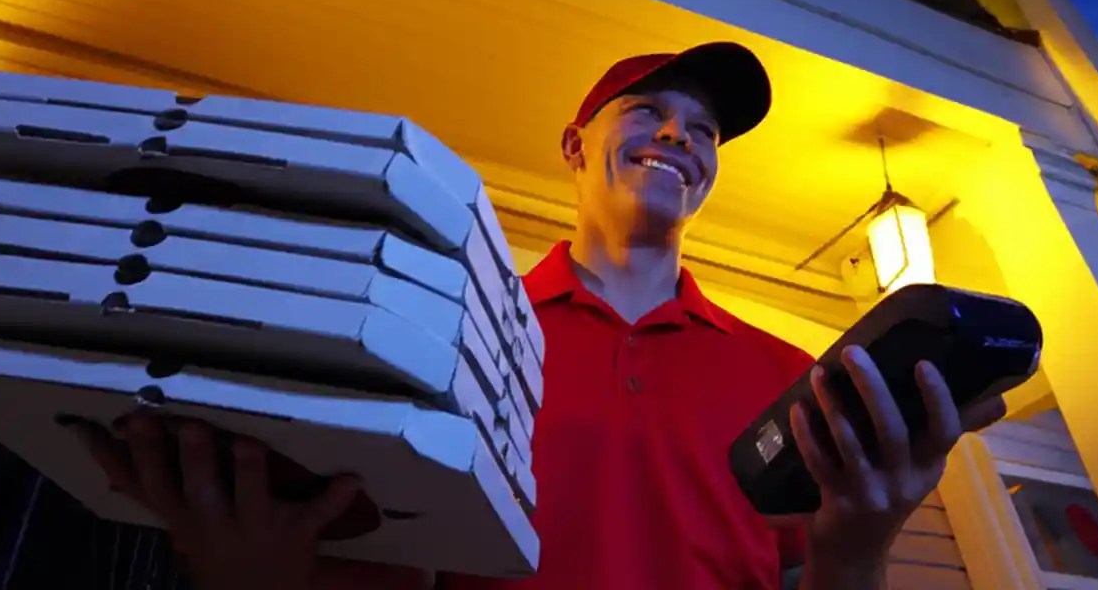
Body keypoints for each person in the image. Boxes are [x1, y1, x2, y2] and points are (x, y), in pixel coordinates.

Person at [76, 42, 1007, 590]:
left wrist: (859, 551)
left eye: (707, 130)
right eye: (650, 112)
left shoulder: (787, 375)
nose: (682, 136)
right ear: (575, 145)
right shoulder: (439, 330)